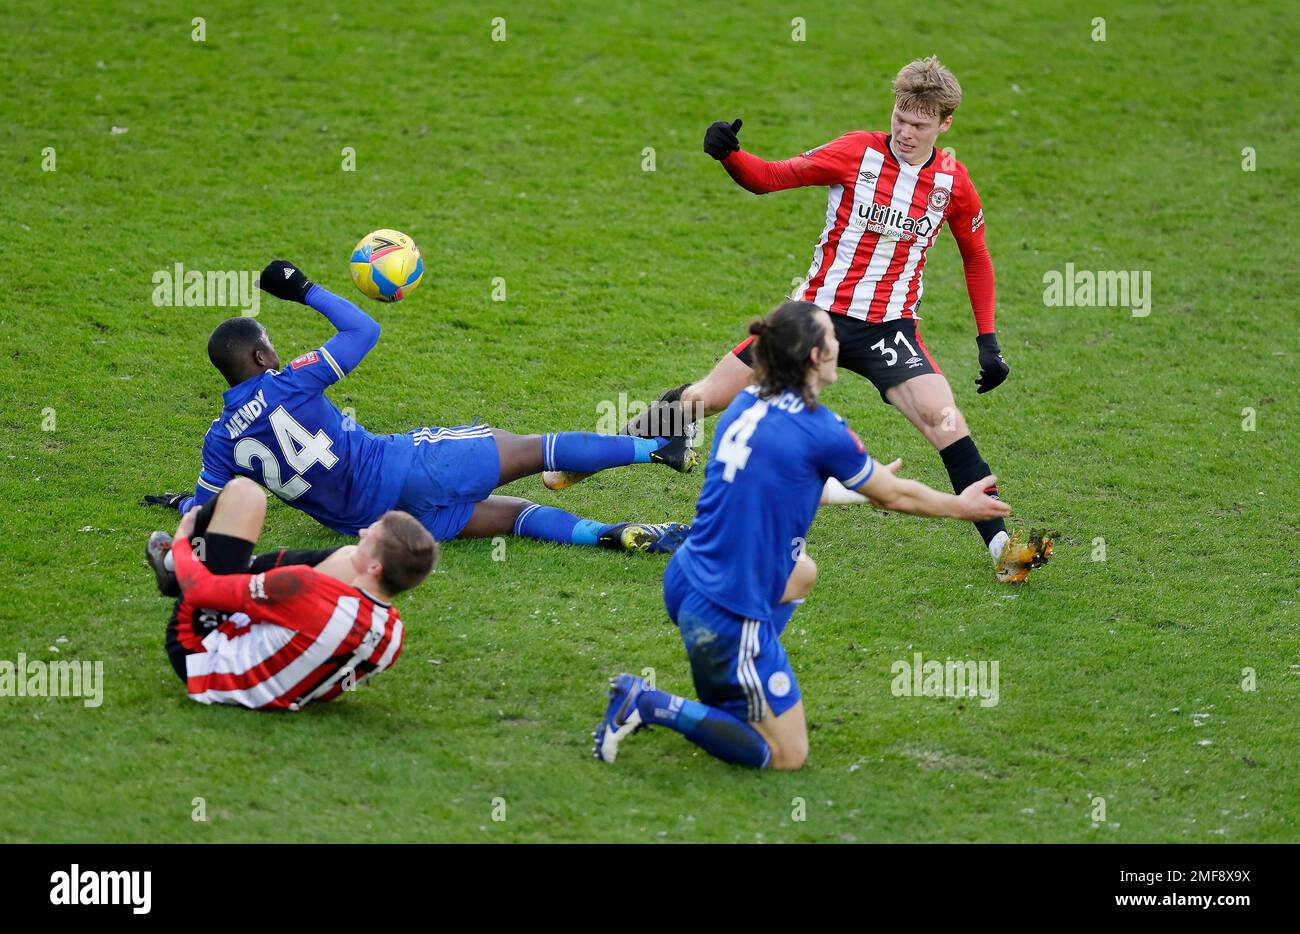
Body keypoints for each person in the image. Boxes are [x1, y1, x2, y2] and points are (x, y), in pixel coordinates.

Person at [551, 57, 1051, 581]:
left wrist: (988, 341)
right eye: (899, 118)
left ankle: (1003, 550)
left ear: (944, 125)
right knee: (706, 400)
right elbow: (770, 178)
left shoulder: (953, 182)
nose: (905, 131)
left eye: (919, 125)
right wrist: (730, 154)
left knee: (945, 421)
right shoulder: (855, 151)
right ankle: (585, 460)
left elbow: (977, 257)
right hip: (813, 316)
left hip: (889, 328)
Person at [593, 301, 1015, 769]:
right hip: (726, 606)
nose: (841, 341)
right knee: (786, 755)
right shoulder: (822, 431)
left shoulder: (747, 402)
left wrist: (856, 491)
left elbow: (777, 482)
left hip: (687, 576)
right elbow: (896, 496)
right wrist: (961, 506)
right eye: (831, 337)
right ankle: (648, 702)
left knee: (802, 571)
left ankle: (742, 677)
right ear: (815, 356)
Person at [144, 259, 694, 554]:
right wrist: (302, 288)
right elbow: (363, 327)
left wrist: (183, 507)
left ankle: (610, 533)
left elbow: (207, 508)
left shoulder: (220, 440)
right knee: (530, 450)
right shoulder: (287, 382)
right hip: (401, 468)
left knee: (511, 517)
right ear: (263, 355)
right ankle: (657, 448)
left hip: (378, 524)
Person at [148, 477, 435, 711]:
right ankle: (240, 567)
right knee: (346, 557)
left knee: (245, 495)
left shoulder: (303, 586)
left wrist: (185, 540)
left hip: (197, 653)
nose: (360, 533)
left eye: (368, 538)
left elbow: (200, 591)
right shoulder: (392, 635)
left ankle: (173, 564)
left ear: (375, 566)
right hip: (279, 687)